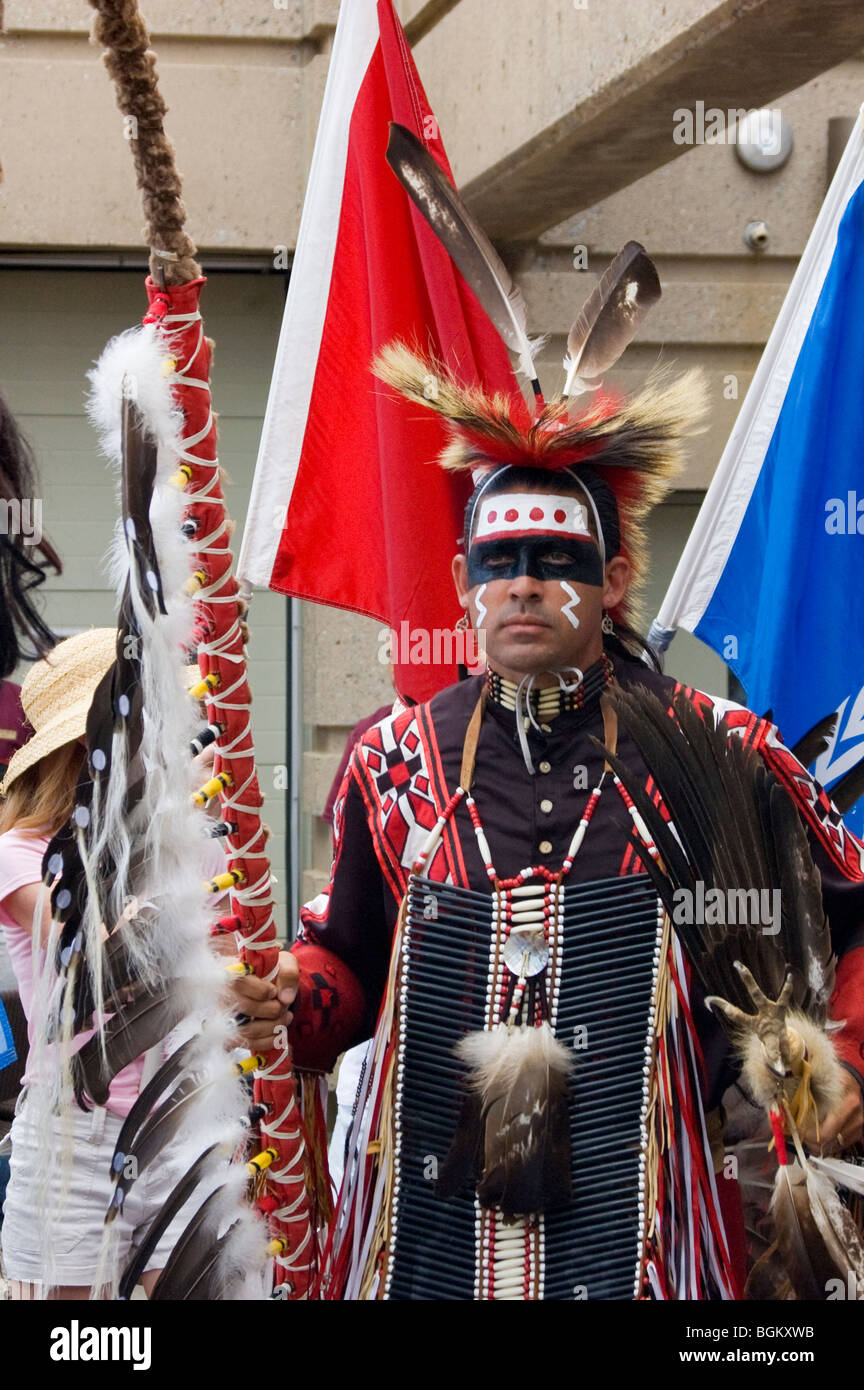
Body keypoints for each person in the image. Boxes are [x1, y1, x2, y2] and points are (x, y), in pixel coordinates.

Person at [234, 350, 864, 1299]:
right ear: (462, 580)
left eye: (556, 561)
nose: (523, 585)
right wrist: (289, 993)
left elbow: (852, 928)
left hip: (652, 1238)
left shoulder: (720, 752)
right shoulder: (393, 760)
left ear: (611, 579)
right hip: (426, 1238)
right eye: (500, 562)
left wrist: (844, 1066)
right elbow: (349, 962)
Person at [0, 628, 219, 1299]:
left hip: (184, 1117)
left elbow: (226, 964)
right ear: (83, 751)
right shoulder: (18, 852)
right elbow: (98, 942)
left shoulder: (192, 838)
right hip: (77, 1133)